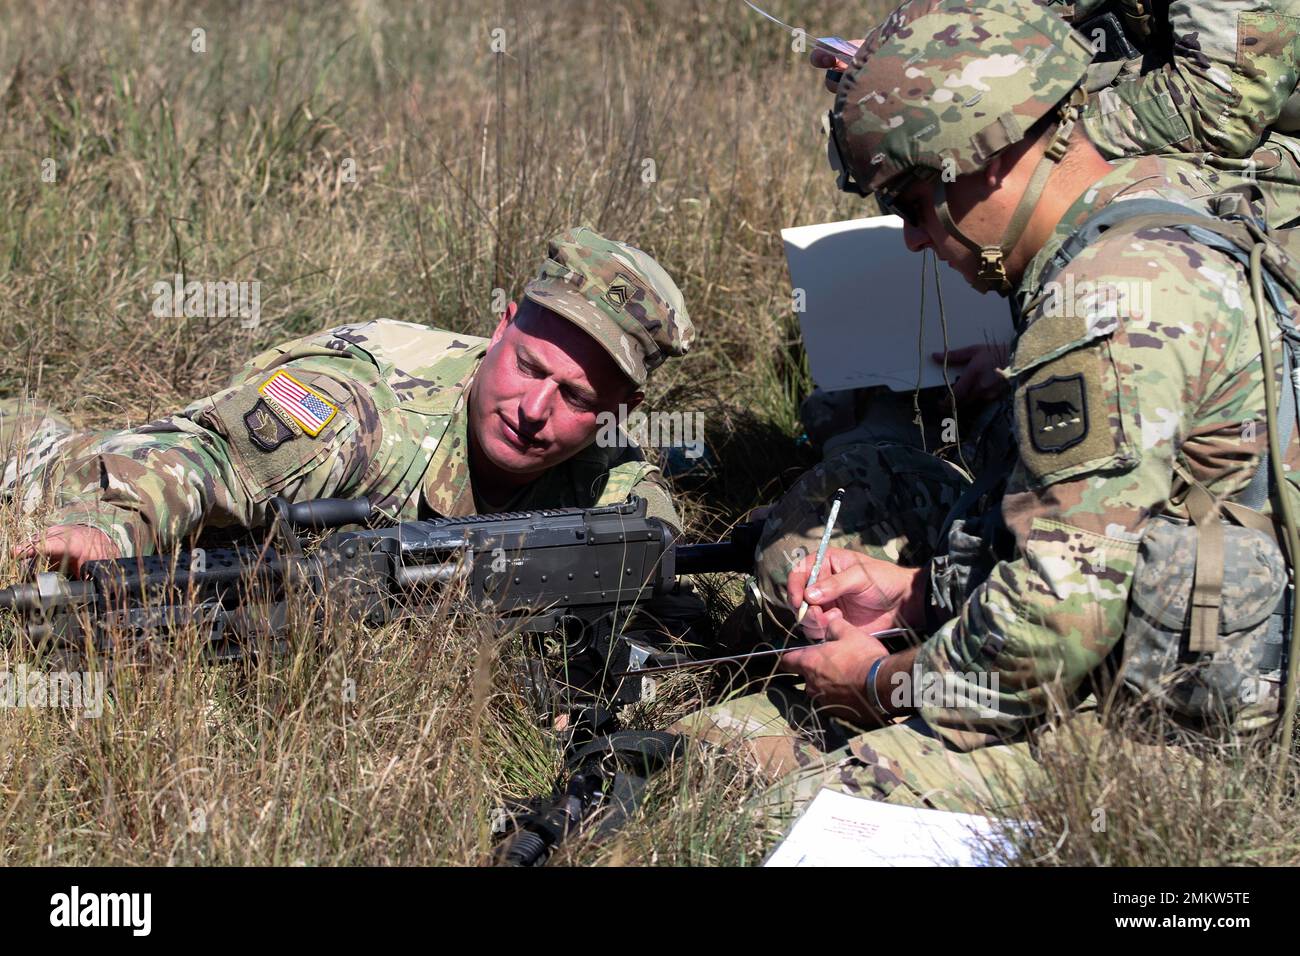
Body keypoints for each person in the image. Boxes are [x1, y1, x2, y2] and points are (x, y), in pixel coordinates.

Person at [681, 0, 1297, 815]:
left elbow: (1049, 631)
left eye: (912, 201)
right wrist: (916, 595)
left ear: (991, 158)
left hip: (1179, 747)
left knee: (783, 809)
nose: (911, 239)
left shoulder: (1101, 305)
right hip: (1161, 661)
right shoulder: (1158, 201)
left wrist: (879, 684)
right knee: (718, 749)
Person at [1, 226, 694, 574]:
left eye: (574, 395)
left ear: (621, 410)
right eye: (528, 366)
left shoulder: (612, 475)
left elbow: (657, 565)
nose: (534, 408)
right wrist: (113, 530)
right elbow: (202, 457)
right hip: (77, 473)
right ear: (502, 325)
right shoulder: (358, 417)